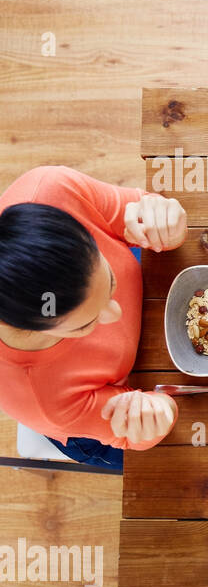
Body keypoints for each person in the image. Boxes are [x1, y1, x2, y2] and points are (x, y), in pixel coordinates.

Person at [0, 167, 186, 468]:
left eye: (110, 281)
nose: (117, 313)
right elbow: (136, 436)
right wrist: (158, 414)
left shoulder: (53, 189)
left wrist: (164, 222)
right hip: (96, 424)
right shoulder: (44, 399)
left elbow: (138, 212)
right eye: (86, 323)